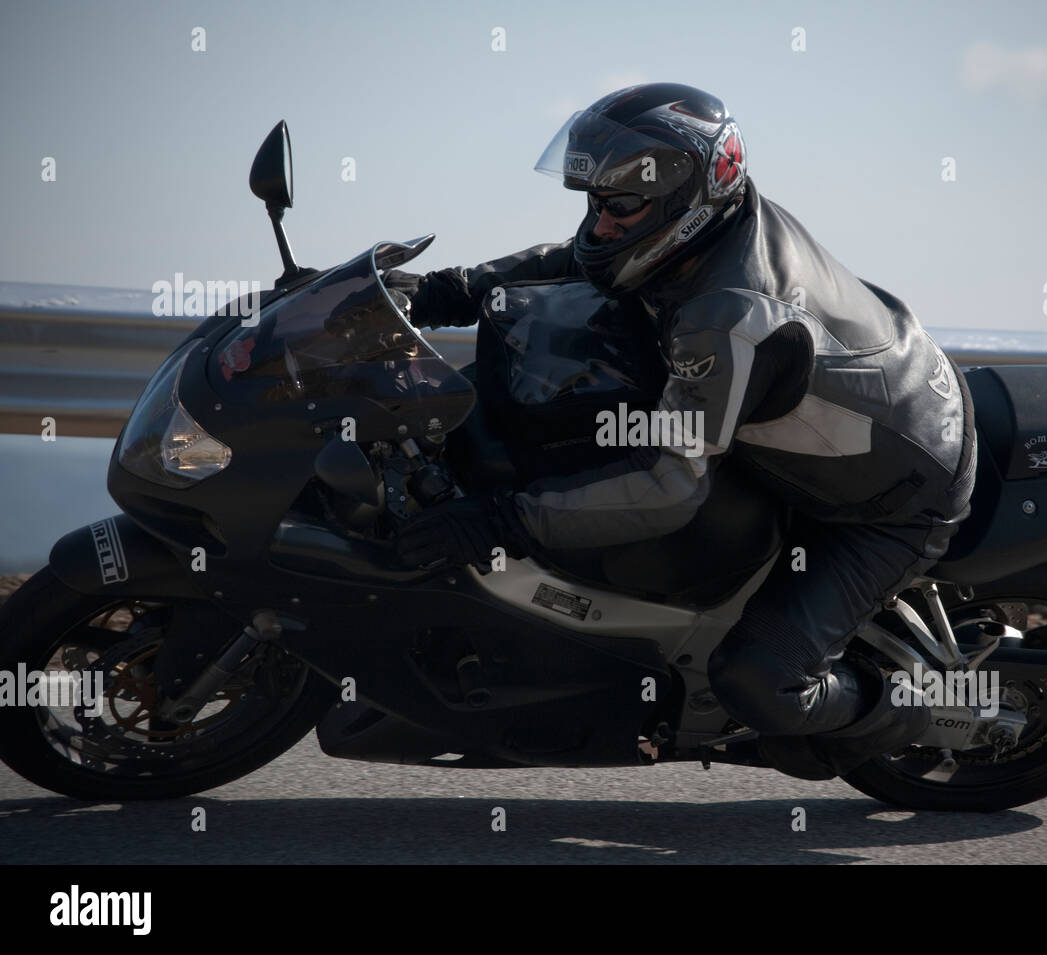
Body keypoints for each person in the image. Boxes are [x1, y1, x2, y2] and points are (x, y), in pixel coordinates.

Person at [384, 83, 977, 780]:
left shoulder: (724, 316)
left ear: (683, 204)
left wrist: (498, 519)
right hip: (843, 418)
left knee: (761, 683)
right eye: (594, 200)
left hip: (893, 495)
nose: (599, 222)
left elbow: (668, 488)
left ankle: (914, 708)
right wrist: (442, 290)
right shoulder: (703, 228)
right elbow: (577, 259)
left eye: (619, 205)